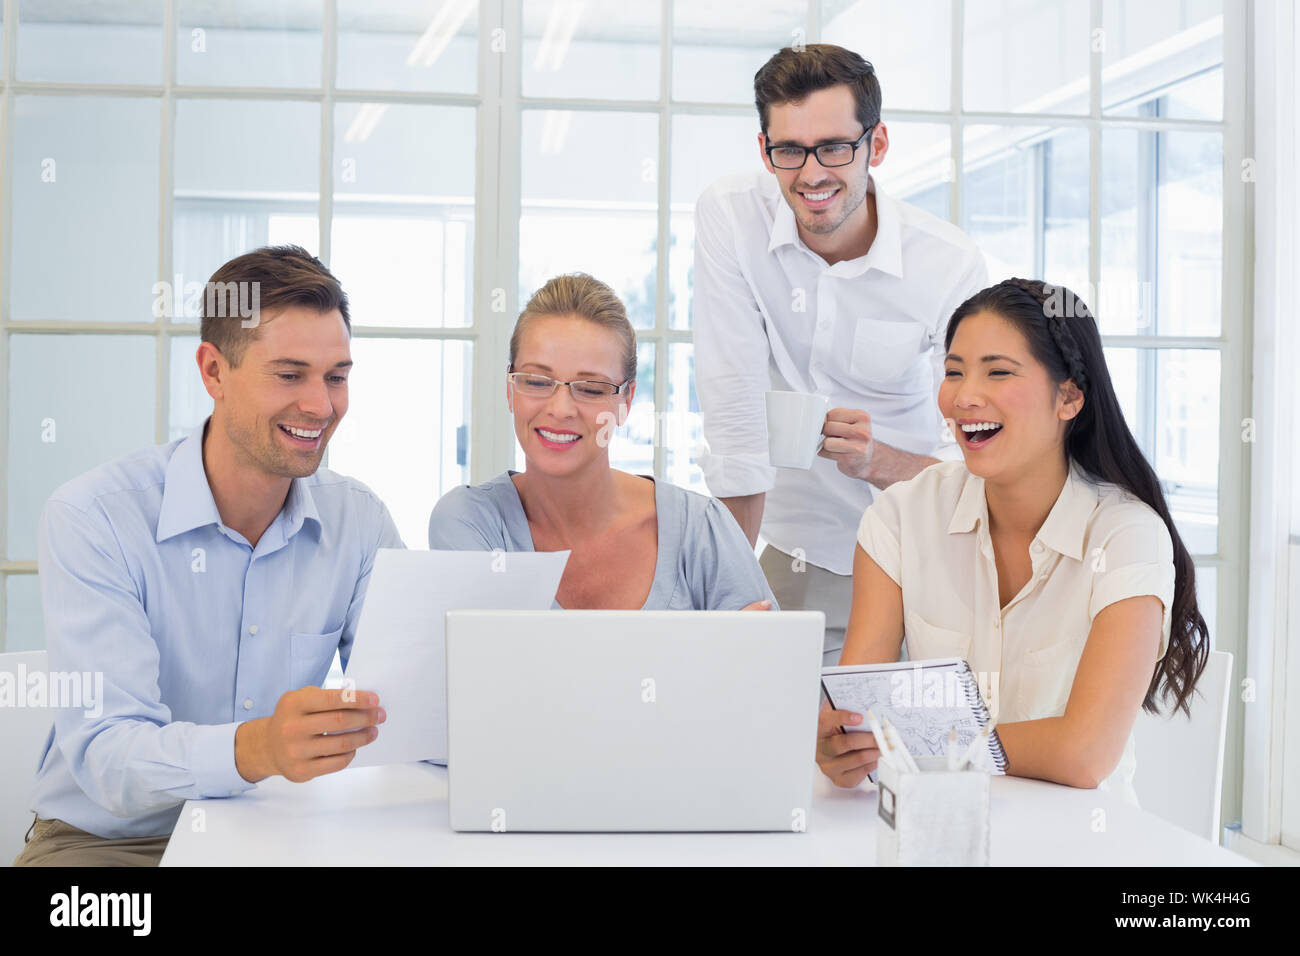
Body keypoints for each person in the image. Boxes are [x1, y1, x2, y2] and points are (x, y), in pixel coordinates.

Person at [15, 245, 400, 866]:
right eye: (289, 373)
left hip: (276, 831)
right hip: (112, 844)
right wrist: (259, 749)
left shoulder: (359, 521)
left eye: (336, 376)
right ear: (213, 372)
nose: (321, 406)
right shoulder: (94, 517)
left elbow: (410, 701)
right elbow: (109, 757)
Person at [815, 278, 1209, 804]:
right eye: (953, 371)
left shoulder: (1125, 535)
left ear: (1068, 397)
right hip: (938, 828)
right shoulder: (902, 515)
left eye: (998, 371)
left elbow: (1084, 753)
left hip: (1082, 842)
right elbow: (858, 716)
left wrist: (910, 739)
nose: (963, 396)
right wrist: (842, 749)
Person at [692, 43, 989, 665]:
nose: (811, 173)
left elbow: (980, 459)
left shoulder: (946, 265)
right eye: (790, 151)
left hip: (925, 554)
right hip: (797, 550)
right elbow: (735, 417)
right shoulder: (731, 217)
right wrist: (724, 599)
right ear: (764, 149)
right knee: (782, 742)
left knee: (915, 747)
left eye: (834, 147)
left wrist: (877, 460)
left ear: (876, 145)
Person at [429, 273, 774, 612]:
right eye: (536, 382)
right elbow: (486, 664)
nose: (560, 409)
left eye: (591, 389)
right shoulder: (470, 521)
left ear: (627, 400)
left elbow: (768, 662)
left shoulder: (702, 528)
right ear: (509, 389)